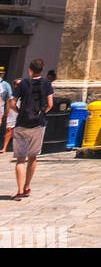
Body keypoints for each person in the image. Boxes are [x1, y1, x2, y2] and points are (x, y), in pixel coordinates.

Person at [11, 58, 54, 201]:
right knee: (33, 157)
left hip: (22, 123)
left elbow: (12, 103)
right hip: (38, 124)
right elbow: (50, 104)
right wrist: (41, 113)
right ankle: (27, 186)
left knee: (20, 159)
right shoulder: (47, 84)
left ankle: (19, 190)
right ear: (42, 70)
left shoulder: (22, 83)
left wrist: (19, 111)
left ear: (30, 69)